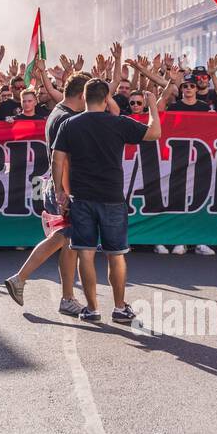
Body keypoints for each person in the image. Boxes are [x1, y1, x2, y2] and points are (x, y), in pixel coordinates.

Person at [51, 81, 161, 324]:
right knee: (116, 254)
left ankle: (92, 308)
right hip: (111, 197)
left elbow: (57, 159)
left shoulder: (69, 124)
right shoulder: (118, 123)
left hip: (81, 198)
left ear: (83, 96)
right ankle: (120, 307)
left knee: (85, 254)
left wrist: (59, 190)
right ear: (107, 98)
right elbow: (154, 133)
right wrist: (152, 105)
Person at [3, 72, 91, 316]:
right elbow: (61, 159)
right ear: (82, 94)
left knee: (67, 241)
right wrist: (64, 193)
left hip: (58, 185)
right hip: (62, 186)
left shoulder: (58, 112)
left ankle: (66, 298)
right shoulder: (67, 118)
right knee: (63, 238)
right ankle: (21, 279)